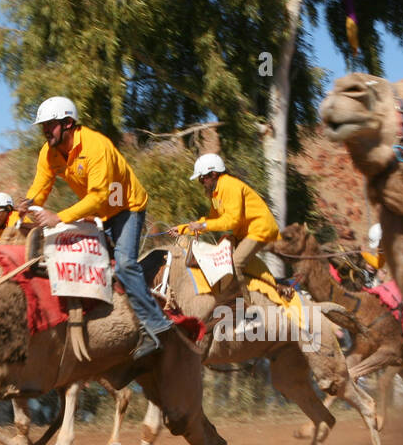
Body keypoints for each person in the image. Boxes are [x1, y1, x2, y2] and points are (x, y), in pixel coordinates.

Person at [18, 96, 174, 360]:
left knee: (124, 265)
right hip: (98, 213)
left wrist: (60, 217)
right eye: (43, 125)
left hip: (127, 208)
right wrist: (29, 203)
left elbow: (99, 197)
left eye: (50, 125)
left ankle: (158, 326)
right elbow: (41, 186)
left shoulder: (96, 146)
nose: (45, 130)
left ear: (68, 123)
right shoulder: (49, 151)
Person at [178, 153, 280, 295]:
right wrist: (181, 230)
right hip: (245, 232)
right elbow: (212, 220)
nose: (201, 182)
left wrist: (202, 226)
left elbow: (232, 221)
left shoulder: (230, 185)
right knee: (224, 253)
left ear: (213, 174)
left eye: (202, 178)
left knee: (235, 263)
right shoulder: (215, 194)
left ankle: (246, 308)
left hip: (260, 229)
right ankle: (274, 287)